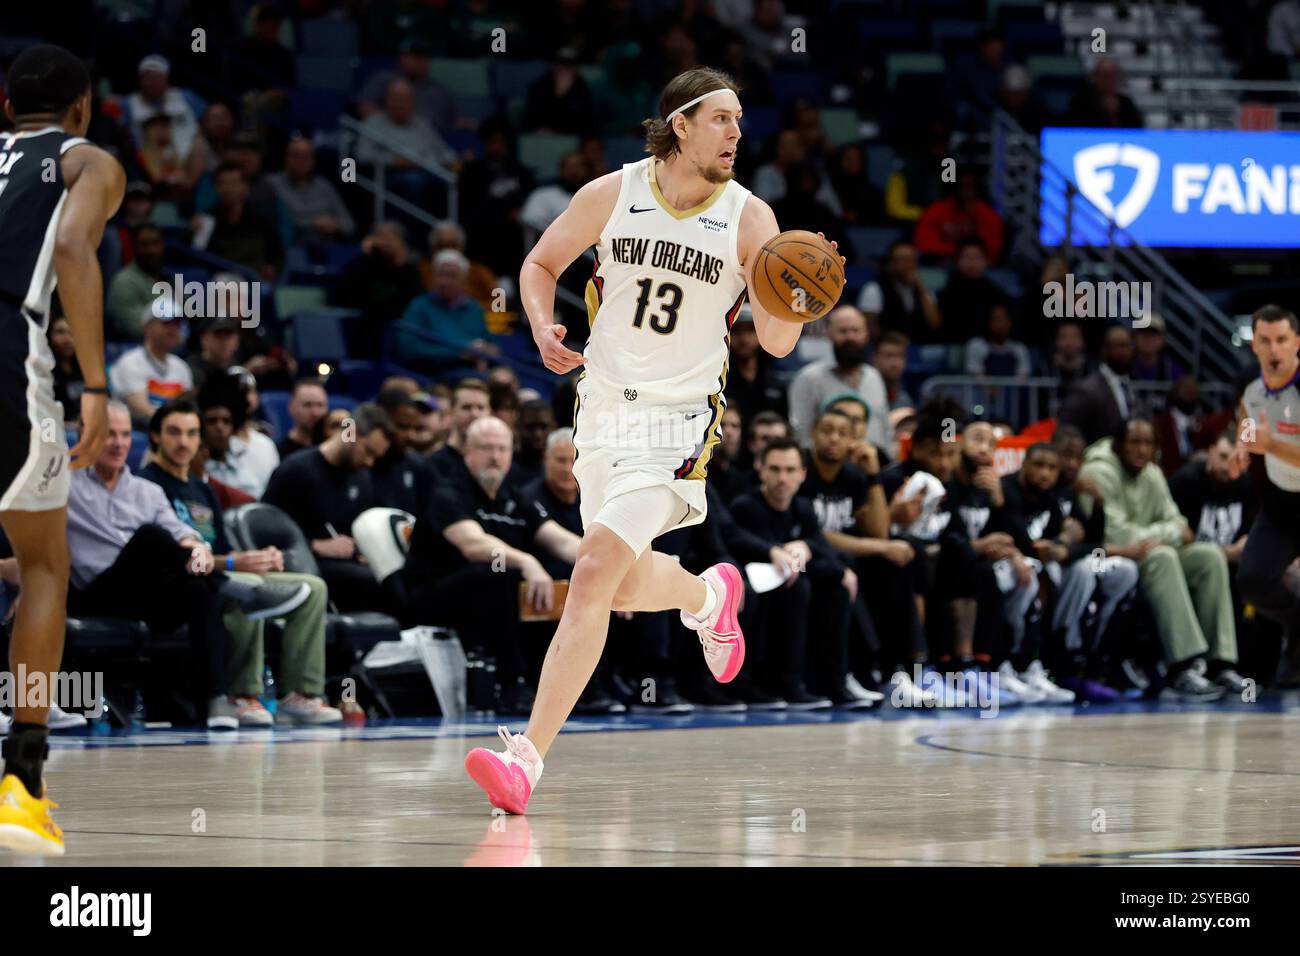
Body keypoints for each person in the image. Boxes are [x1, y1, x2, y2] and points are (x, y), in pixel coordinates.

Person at [465, 68, 838, 814]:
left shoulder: (750, 218)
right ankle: (708, 595)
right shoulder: (614, 192)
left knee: (592, 571)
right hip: (602, 412)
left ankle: (525, 760)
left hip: (679, 421)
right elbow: (540, 264)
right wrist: (539, 324)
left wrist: (797, 295)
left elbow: (775, 343)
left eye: (740, 120)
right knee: (624, 587)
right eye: (722, 119)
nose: (737, 133)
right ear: (680, 124)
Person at [0, 45, 124, 857]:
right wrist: (97, 385)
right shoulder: (87, 160)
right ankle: (23, 783)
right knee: (44, 565)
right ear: (81, 108)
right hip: (9, 360)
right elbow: (75, 250)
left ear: (8, 106)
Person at [138, 398, 340, 726]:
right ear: (156, 436)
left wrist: (261, 559)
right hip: (182, 584)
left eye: (191, 433)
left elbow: (222, 549)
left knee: (313, 588)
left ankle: (301, 694)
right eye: (174, 432)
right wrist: (234, 565)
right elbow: (165, 557)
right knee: (248, 585)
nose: (184, 442)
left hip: (220, 570)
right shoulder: (147, 485)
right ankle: (243, 694)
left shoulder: (202, 489)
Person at [1079, 417, 1243, 699]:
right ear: (1119, 444)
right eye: (1135, 442)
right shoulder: (1098, 471)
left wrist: (1158, 536)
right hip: (1113, 558)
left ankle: (1220, 664)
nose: (1142, 450)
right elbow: (1116, 534)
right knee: (1163, 556)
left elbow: (1181, 526)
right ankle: (1182, 667)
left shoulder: (1151, 473)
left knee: (1209, 556)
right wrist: (1163, 536)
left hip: (1150, 554)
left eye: (1148, 443)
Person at [1238, 305, 1300, 681]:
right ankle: (1297, 624)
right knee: (1252, 581)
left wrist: (1272, 445)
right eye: (1265, 340)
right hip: (1282, 502)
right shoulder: (1249, 382)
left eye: (1281, 340)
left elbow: (1268, 441)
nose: (1274, 350)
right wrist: (1242, 448)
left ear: (1297, 343)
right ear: (1255, 345)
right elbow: (1245, 420)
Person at [277, 378, 328, 459]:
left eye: (320, 405)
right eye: (307, 405)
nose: (315, 413)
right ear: (291, 408)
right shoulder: (277, 452)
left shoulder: (333, 452)